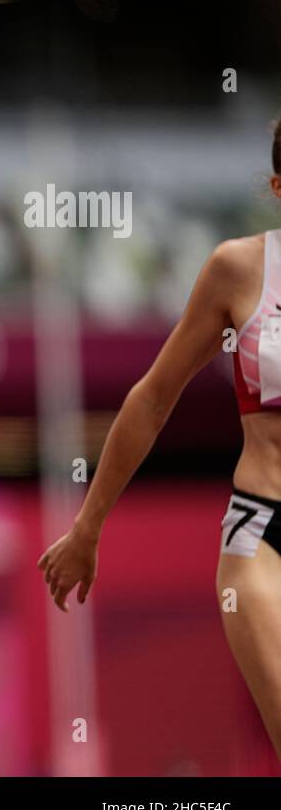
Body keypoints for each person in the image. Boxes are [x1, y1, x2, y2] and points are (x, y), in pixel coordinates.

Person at [39, 123, 281, 760]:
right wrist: (88, 525)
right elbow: (152, 397)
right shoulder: (239, 269)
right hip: (263, 536)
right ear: (278, 188)